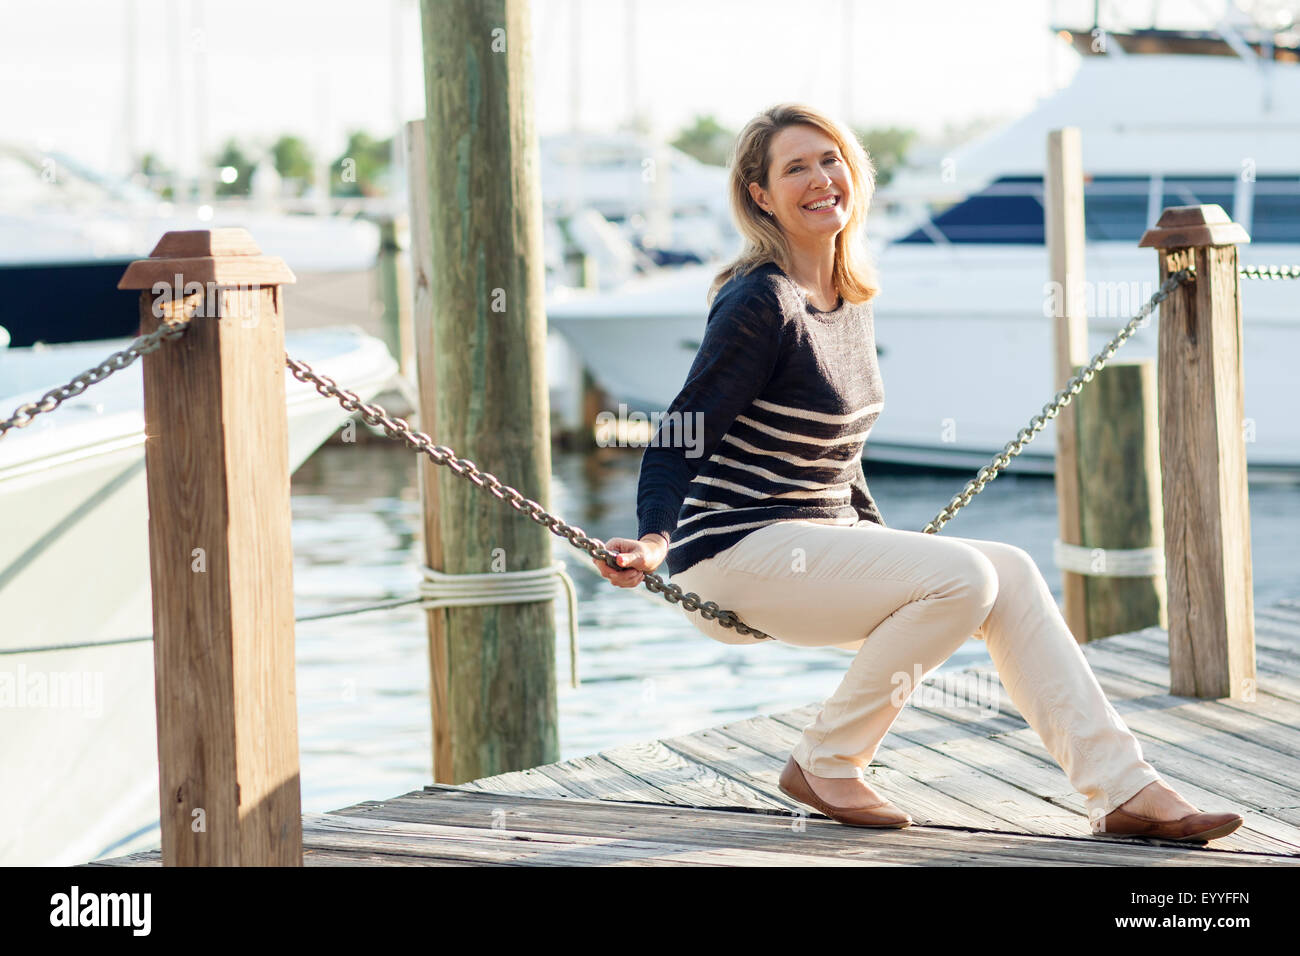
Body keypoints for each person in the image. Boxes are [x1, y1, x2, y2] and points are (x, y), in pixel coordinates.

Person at [592, 103, 1244, 844]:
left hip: (811, 546)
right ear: (760, 197)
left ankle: (1125, 790)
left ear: (854, 173)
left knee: (1012, 572)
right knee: (966, 576)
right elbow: (681, 432)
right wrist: (651, 540)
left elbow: (838, 457)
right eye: (794, 168)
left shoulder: (850, 300)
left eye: (830, 159)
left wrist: (878, 540)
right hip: (732, 556)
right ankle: (826, 761)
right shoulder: (760, 301)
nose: (820, 178)